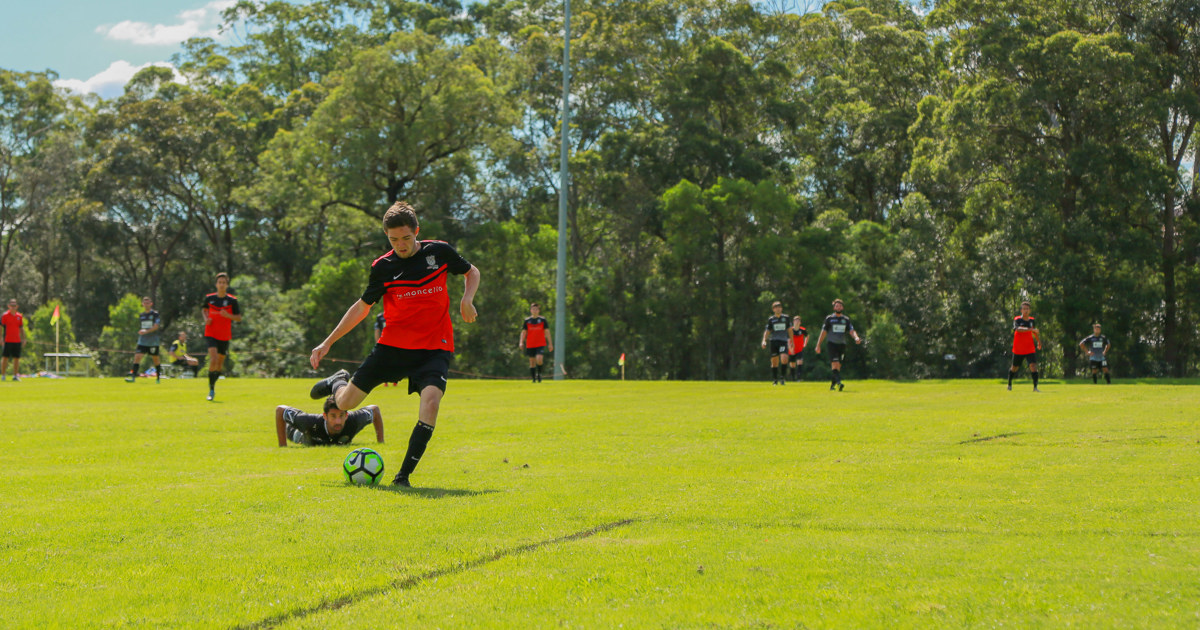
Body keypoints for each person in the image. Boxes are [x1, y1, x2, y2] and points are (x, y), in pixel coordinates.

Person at [308, 201, 480, 488]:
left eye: (406, 238)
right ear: (387, 237)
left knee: (432, 402)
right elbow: (362, 307)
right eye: (393, 239)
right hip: (393, 347)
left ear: (417, 232)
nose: (400, 244)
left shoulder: (439, 252)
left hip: (434, 347)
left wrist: (467, 298)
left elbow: (471, 272)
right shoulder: (383, 267)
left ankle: (403, 477)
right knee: (345, 402)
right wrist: (327, 342)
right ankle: (338, 381)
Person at [275, 399, 384, 447]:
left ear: (346, 415)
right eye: (333, 416)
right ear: (325, 416)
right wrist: (283, 447)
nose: (338, 421)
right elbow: (280, 410)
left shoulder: (354, 421)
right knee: (300, 437)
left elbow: (374, 410)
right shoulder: (309, 421)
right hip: (299, 433)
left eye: (341, 416)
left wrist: (381, 442)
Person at [202, 272, 242, 401]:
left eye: (224, 283)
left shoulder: (232, 300)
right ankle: (211, 389)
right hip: (211, 333)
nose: (221, 285)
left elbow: (238, 318)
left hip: (224, 336)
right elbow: (204, 310)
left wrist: (228, 316)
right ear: (216, 284)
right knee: (213, 359)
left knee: (219, 365)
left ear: (227, 285)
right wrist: (206, 319)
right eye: (219, 282)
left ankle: (213, 383)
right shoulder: (209, 298)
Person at [815, 298, 863, 391]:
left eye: (840, 305)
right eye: (836, 306)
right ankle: (839, 382)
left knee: (838, 366)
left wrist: (856, 337)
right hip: (832, 344)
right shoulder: (829, 319)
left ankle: (833, 385)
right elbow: (823, 332)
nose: (838, 307)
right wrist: (818, 345)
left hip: (842, 345)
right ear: (834, 308)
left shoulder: (846, 320)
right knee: (835, 363)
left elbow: (851, 331)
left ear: (842, 307)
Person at [125, 296, 163, 383]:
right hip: (143, 341)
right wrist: (142, 332)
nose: (146, 304)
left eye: (148, 303)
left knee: (155, 359)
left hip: (153, 341)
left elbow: (156, 327)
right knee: (137, 357)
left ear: (151, 304)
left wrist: (145, 331)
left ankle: (158, 378)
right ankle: (133, 377)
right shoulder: (142, 315)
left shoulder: (155, 314)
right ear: (142, 304)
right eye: (145, 303)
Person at [1008, 300, 1042, 391]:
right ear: (1021, 310)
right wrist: (1030, 329)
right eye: (1024, 309)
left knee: (1033, 366)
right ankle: (1009, 384)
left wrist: (1039, 341)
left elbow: (1034, 332)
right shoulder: (1017, 319)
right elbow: (1018, 329)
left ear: (1029, 310)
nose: (1026, 310)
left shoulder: (1032, 320)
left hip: (1029, 347)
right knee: (1014, 367)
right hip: (1018, 348)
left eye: (1027, 309)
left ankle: (1035, 387)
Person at [518, 302, 552, 383]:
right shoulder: (527, 321)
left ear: (538, 311)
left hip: (540, 343)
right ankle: (533, 378)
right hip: (530, 343)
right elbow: (523, 332)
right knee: (532, 362)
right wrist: (521, 342)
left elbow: (547, 332)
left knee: (539, 359)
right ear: (531, 310)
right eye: (533, 309)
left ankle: (539, 374)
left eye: (536, 309)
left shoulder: (543, 320)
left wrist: (550, 343)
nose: (535, 311)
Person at [761, 301, 792, 385]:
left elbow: (789, 330)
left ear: (781, 308)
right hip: (774, 341)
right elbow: (767, 331)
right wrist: (764, 340)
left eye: (779, 307)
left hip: (783, 341)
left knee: (784, 358)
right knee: (774, 361)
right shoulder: (771, 319)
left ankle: (782, 377)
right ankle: (775, 379)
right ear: (773, 309)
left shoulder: (786, 318)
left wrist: (791, 341)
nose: (778, 309)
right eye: (776, 307)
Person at [1, 298, 25, 382]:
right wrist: (0, 338)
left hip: (17, 340)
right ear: (9, 306)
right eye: (12, 306)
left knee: (16, 358)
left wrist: (24, 339)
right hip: (7, 340)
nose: (13, 307)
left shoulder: (19, 316)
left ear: (17, 306)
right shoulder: (5, 316)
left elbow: (21, 328)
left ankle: (15, 375)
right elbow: (1, 327)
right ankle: (3, 375)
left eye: (14, 306)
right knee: (5, 358)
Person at [373, 311, 398, 387]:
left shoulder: (380, 317)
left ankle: (391, 380)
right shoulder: (381, 317)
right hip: (387, 342)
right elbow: (377, 330)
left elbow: (377, 331)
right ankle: (390, 380)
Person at [788, 315, 808, 382]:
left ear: (800, 322)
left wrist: (805, 343)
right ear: (793, 322)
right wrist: (790, 348)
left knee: (799, 363)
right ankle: (793, 379)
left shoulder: (802, 330)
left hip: (800, 349)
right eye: (795, 320)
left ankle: (799, 378)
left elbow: (807, 336)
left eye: (798, 320)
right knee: (792, 365)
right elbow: (788, 340)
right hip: (792, 350)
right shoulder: (790, 330)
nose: (797, 322)